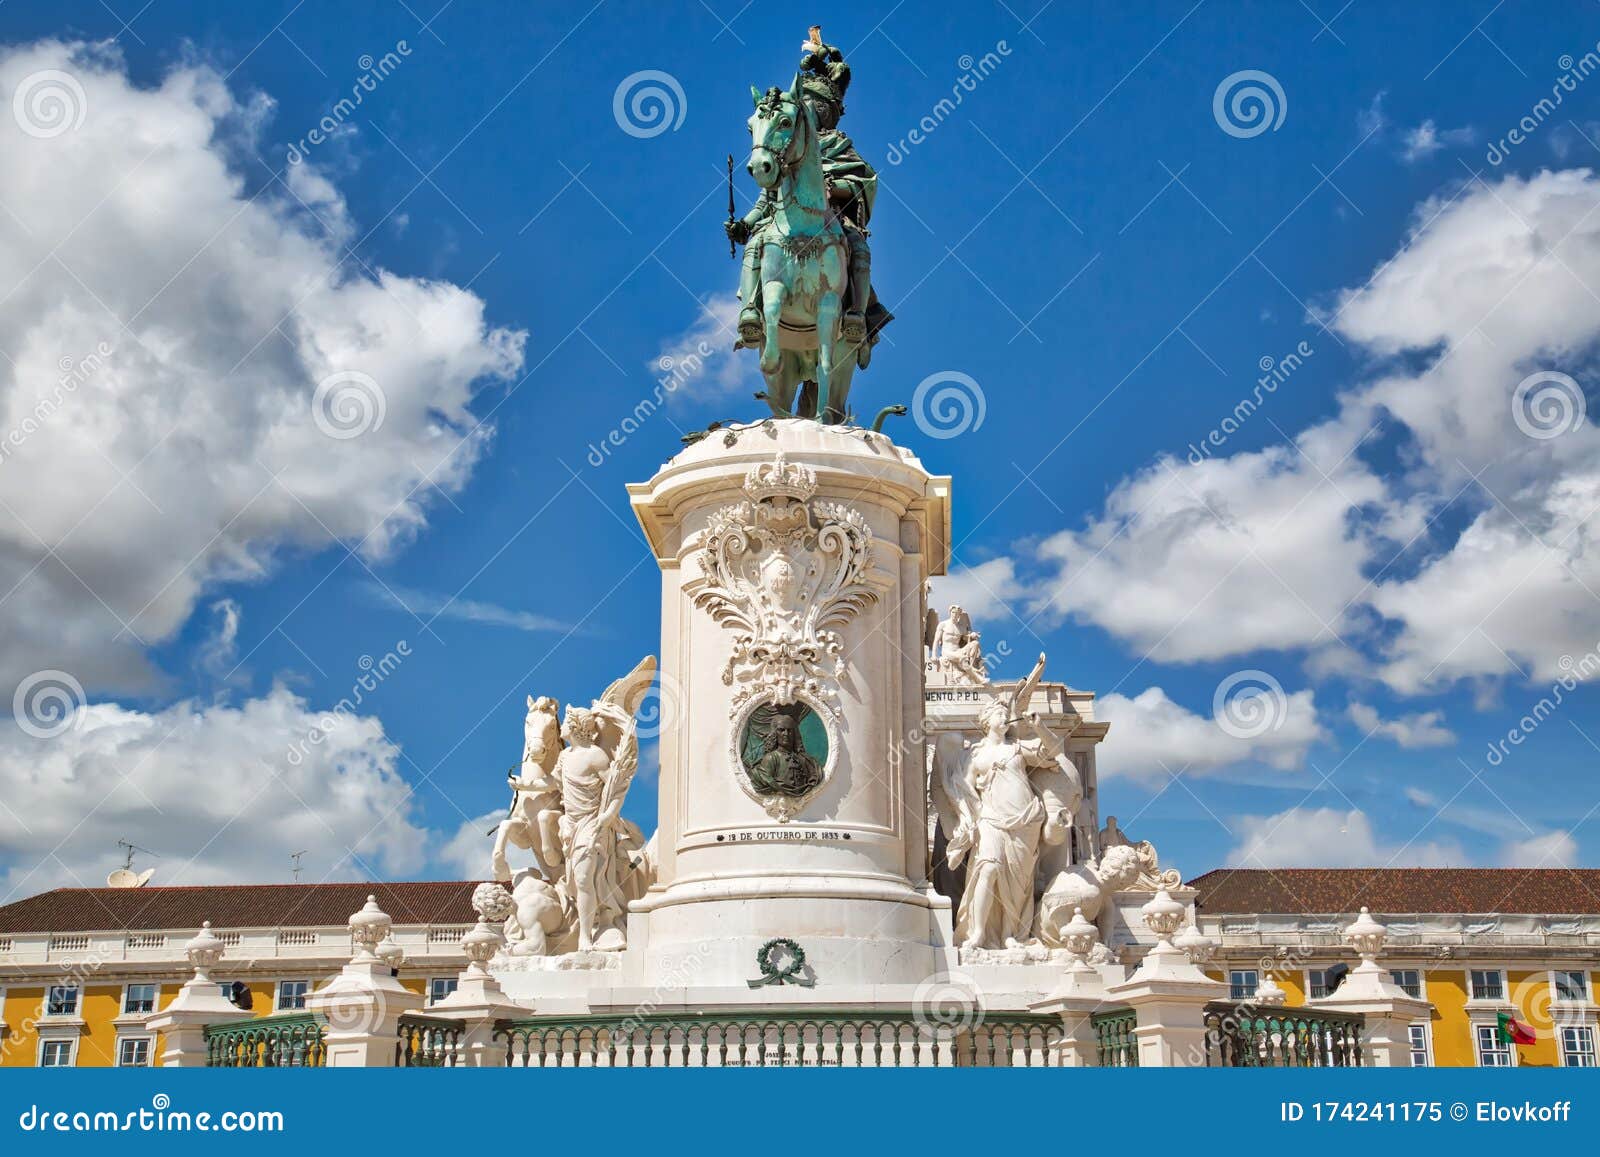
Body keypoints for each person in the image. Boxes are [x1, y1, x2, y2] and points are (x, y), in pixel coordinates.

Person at [726, 26, 891, 349]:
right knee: (757, 243)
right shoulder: (788, 150)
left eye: (818, 107)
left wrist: (835, 188)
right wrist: (744, 224)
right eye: (808, 107)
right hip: (784, 218)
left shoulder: (838, 143)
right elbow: (766, 197)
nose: (813, 112)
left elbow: (863, 181)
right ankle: (751, 312)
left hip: (832, 219)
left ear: (829, 112)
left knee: (857, 245)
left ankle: (858, 312)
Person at [746, 711, 823, 797]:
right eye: (781, 730)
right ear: (775, 733)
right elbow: (764, 781)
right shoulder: (771, 758)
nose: (786, 734)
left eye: (789, 730)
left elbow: (815, 776)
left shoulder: (804, 760)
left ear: (794, 734)